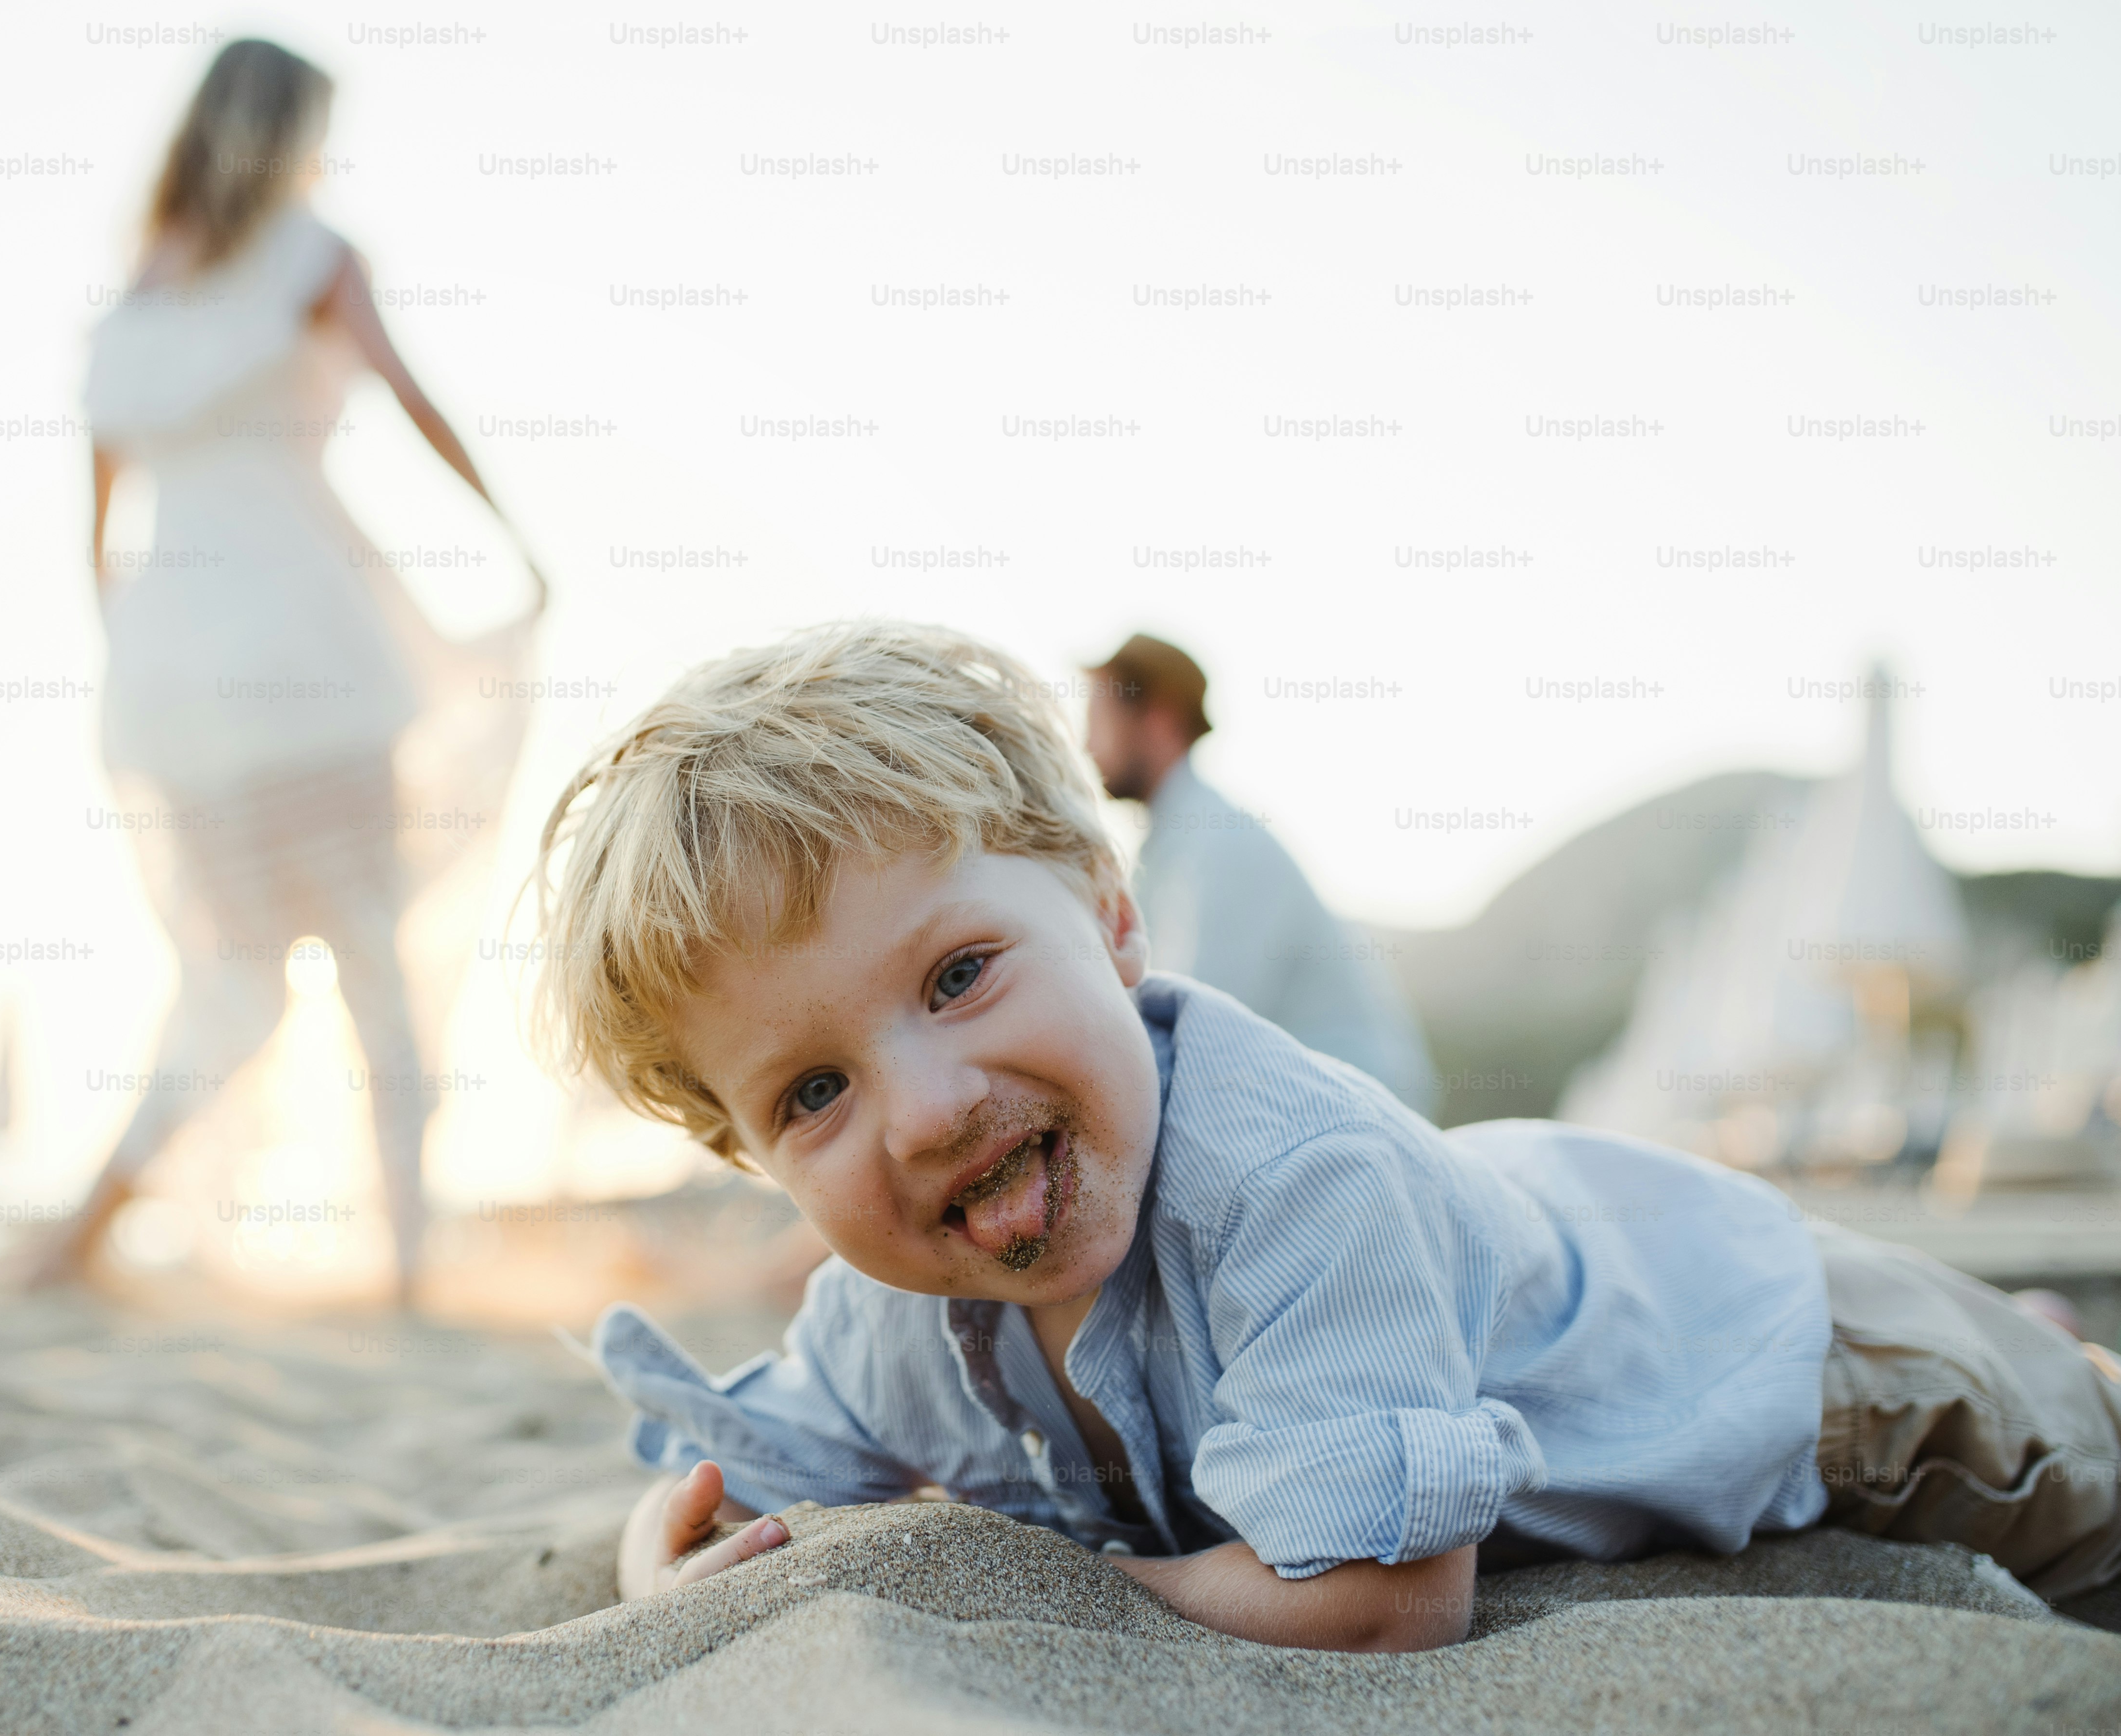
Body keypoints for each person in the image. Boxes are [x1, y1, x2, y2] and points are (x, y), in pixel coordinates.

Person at [527, 620, 2121, 1649]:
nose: (927, 1107)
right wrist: (665, 1572)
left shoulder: (1293, 1181)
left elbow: (1375, 1601)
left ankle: (2042, 1351)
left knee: (2065, 1472)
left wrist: (1019, 1586)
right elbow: (737, 1489)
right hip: (1549, 1239)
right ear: (746, 1153)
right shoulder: (887, 1309)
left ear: (1112, 920)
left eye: (958, 974)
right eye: (811, 1094)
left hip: (1800, 1359)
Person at [32, 39, 539, 1297]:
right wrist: (515, 541)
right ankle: (407, 1263)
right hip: (306, 655)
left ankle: (78, 1232)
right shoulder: (314, 257)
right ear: (290, 132)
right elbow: (414, 403)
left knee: (234, 976)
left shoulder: (136, 297)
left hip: (170, 678)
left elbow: (97, 514)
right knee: (370, 952)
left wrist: (131, 651)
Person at [1083, 633, 1438, 1114]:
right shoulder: (1177, 843)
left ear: (1159, 720)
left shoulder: (1222, 844)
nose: (1085, 744)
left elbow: (1188, 1033)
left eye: (1099, 719)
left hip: (1354, 1119)